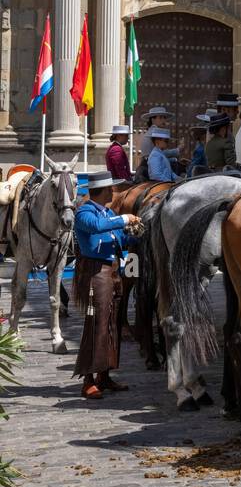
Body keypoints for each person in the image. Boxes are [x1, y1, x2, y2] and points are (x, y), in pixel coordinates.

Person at [73, 170, 141, 400]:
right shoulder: (85, 212)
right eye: (111, 189)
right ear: (103, 191)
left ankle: (104, 375)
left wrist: (136, 233)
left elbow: (119, 240)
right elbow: (95, 227)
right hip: (96, 272)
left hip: (113, 271)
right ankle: (88, 379)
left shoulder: (107, 213)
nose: (114, 191)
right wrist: (124, 219)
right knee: (96, 325)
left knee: (112, 324)